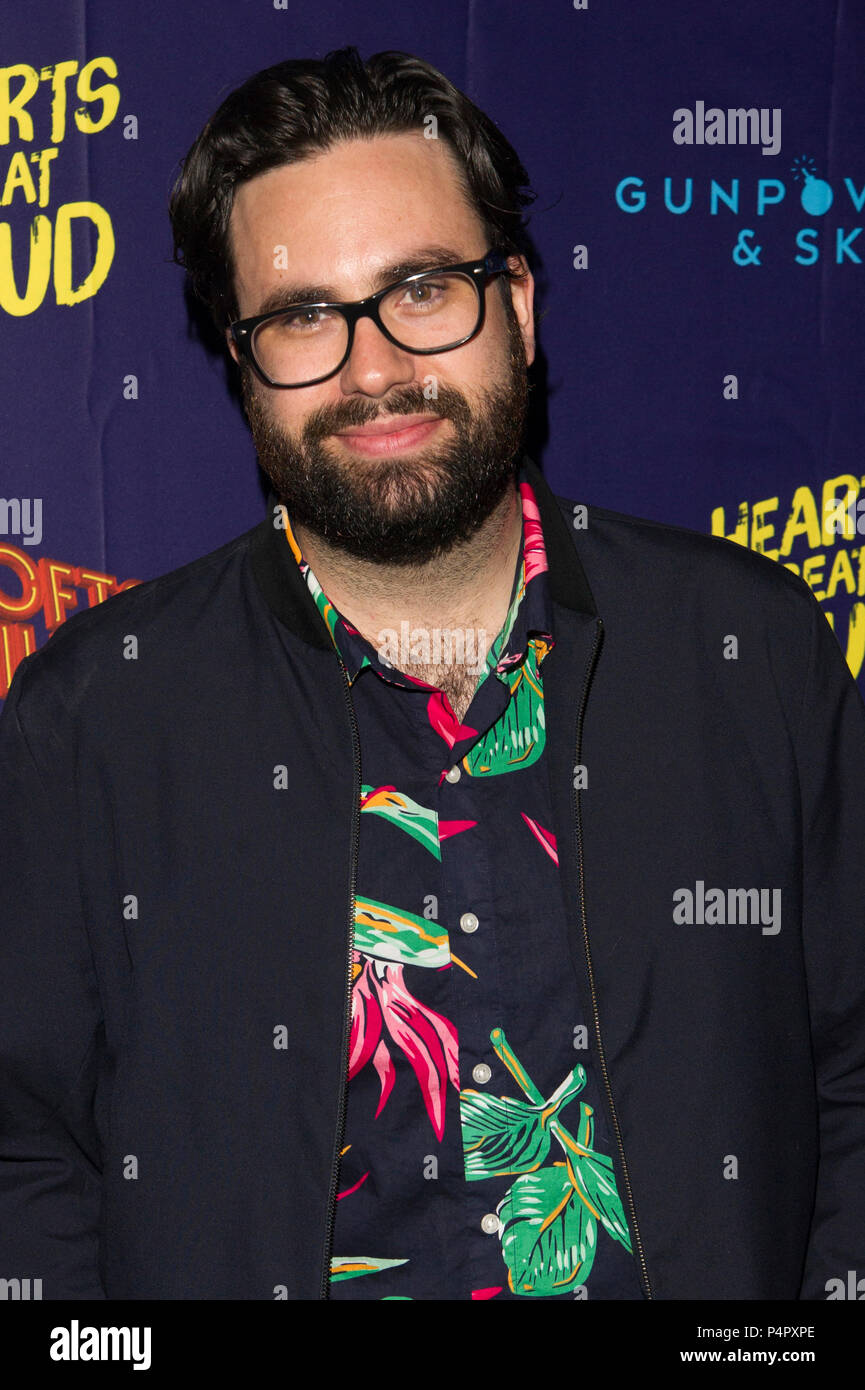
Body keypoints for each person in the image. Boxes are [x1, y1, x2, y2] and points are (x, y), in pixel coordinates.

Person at [1, 46, 863, 1303]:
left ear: (516, 300)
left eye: (420, 289)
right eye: (303, 317)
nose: (370, 368)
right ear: (240, 362)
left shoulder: (749, 651)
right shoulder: (95, 717)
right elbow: (31, 1160)